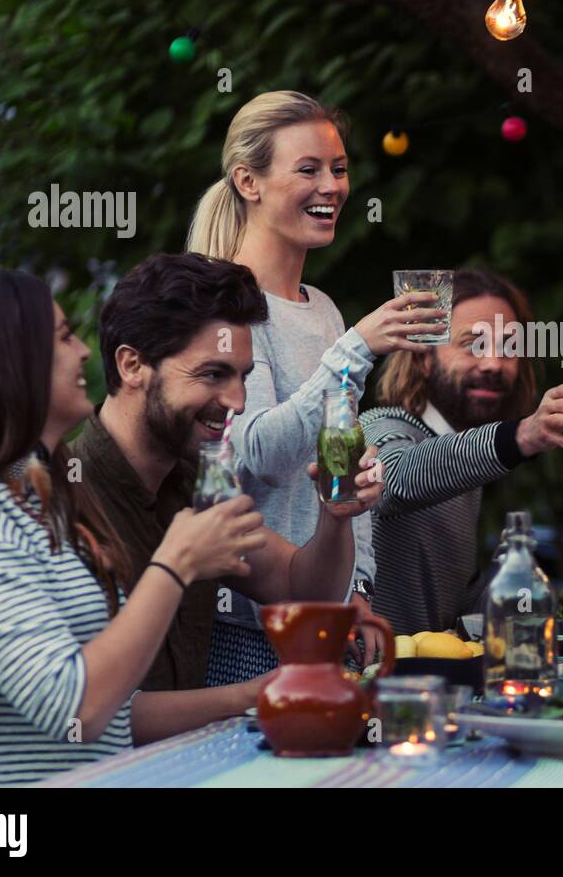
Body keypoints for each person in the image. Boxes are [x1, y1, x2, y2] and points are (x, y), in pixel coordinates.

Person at [0, 271, 263, 786]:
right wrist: (176, 564)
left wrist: (253, 697)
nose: (83, 351)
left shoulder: (39, 496)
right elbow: (72, 707)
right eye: (63, 337)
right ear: (4, 358)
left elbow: (113, 715)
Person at [186, 90, 446, 679]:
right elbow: (256, 453)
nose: (332, 186)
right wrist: (356, 349)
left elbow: (336, 471)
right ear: (248, 182)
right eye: (308, 169)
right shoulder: (221, 303)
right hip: (250, 637)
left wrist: (359, 587)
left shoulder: (322, 308)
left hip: (327, 625)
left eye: (339, 168)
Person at [72, 252, 382, 698]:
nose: (237, 400)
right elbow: (99, 713)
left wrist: (335, 515)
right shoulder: (61, 495)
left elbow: (301, 588)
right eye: (213, 374)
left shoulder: (204, 483)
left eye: (243, 377)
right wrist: (255, 694)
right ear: (132, 365)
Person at [362, 269, 563, 636]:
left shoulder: (466, 465)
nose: (493, 364)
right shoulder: (380, 426)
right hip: (369, 683)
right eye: (473, 344)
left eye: (508, 348)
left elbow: (451, 611)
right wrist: (521, 435)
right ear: (423, 356)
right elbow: (392, 481)